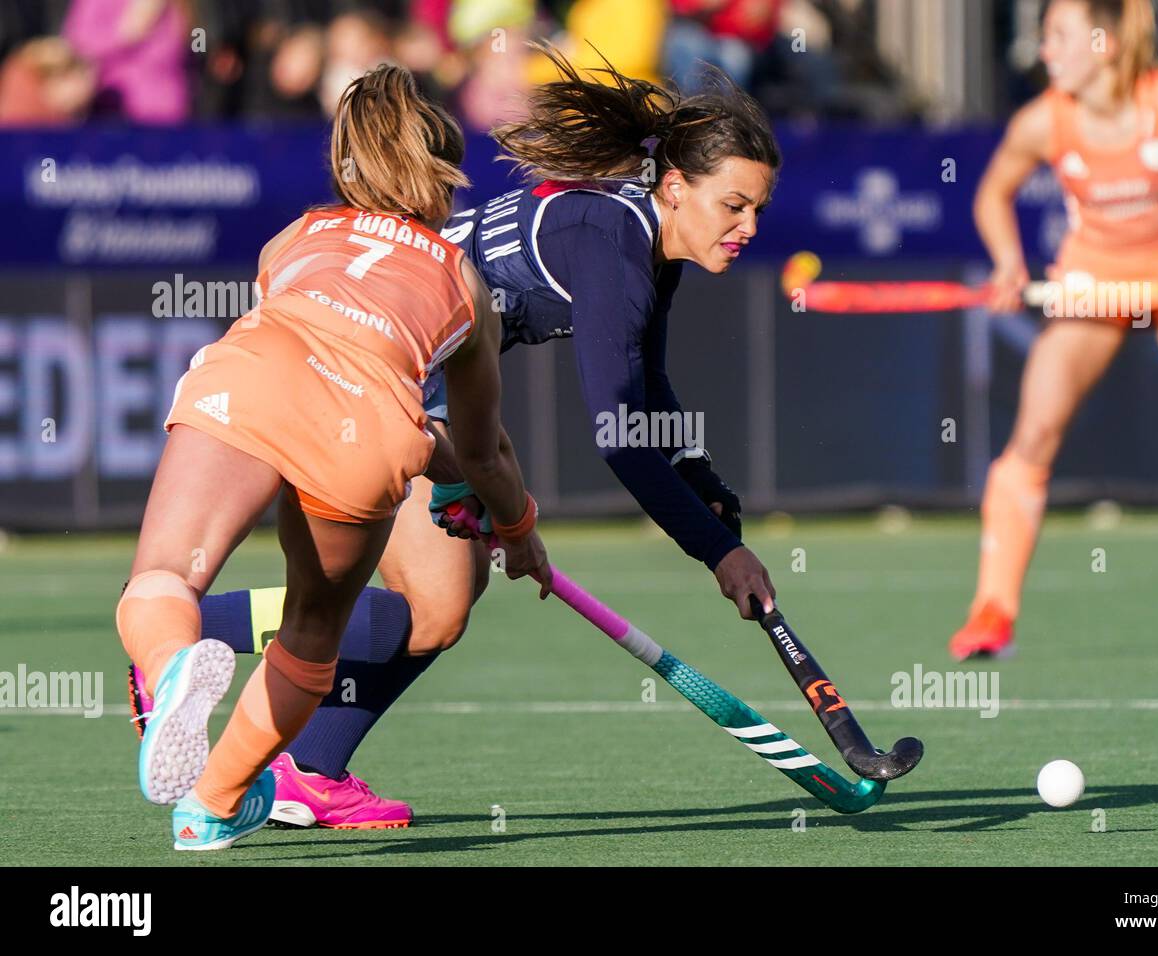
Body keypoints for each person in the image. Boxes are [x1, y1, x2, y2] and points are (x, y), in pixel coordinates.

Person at [131, 46, 783, 830]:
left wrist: (704, 481)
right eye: (734, 205)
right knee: (370, 608)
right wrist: (710, 551)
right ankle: (187, 647)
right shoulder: (609, 240)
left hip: (364, 384)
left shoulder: (643, 237)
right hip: (397, 390)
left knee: (435, 611)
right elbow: (614, 435)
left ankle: (290, 752)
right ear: (675, 186)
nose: (748, 226)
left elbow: (646, 389)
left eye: (758, 211)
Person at [118, 64, 550, 850]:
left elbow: (304, 354)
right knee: (314, 631)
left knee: (163, 578)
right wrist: (517, 530)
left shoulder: (295, 236)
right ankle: (212, 804)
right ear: (443, 174)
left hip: (249, 378)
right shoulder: (465, 283)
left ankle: (174, 662)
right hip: (369, 430)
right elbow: (481, 452)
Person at [949, 0, 1158, 660]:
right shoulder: (1043, 121)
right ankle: (992, 611)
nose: (1045, 52)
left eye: (1058, 37)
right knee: (1034, 434)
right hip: (1091, 284)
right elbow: (992, 194)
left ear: (1104, 45)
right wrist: (1009, 262)